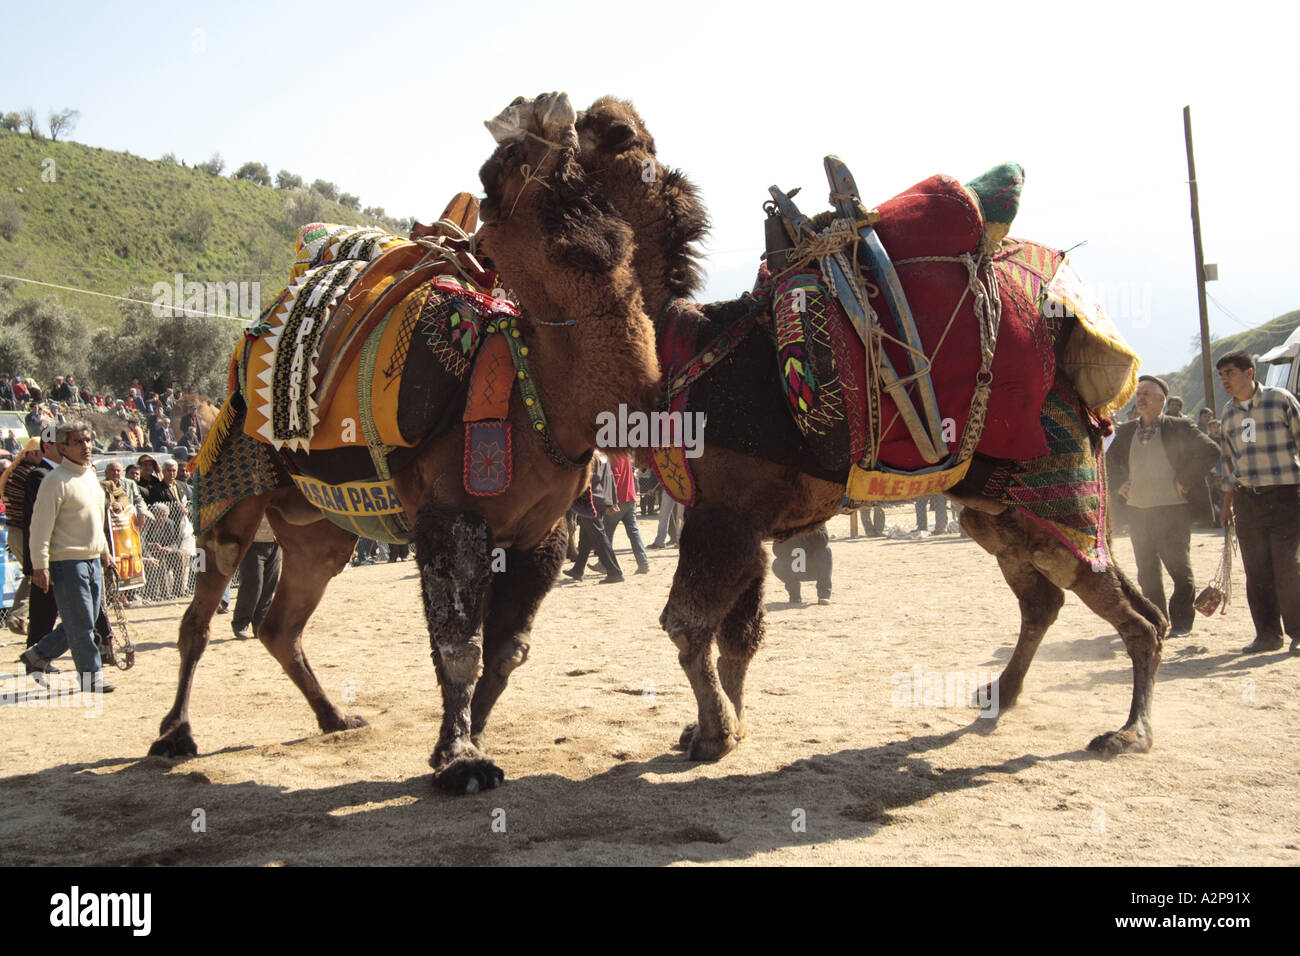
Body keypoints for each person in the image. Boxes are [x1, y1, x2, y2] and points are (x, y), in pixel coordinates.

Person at [1107, 375, 1221, 637]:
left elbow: (1210, 451)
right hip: (1138, 512)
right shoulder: (1125, 431)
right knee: (1147, 573)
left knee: (1178, 569)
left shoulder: (1179, 427)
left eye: (1147, 394)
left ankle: (1181, 623)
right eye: (1139, 394)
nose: (1141, 398)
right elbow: (1107, 459)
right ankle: (1157, 620)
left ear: (1162, 400)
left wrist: (1185, 480)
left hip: (1172, 510)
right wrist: (1120, 483)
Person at [18, 422, 115, 692]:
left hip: (93, 560)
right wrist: (40, 565)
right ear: (63, 448)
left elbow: (96, 520)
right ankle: (90, 678)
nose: (86, 446)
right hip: (66, 563)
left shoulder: (90, 477)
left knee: (80, 620)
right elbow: (39, 527)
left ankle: (37, 655)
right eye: (78, 442)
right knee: (82, 623)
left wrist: (105, 552)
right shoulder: (54, 481)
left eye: (88, 440)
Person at [1215, 349, 1300, 654]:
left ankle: (1298, 632)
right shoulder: (1228, 413)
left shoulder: (1280, 400)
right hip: (1246, 500)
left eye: (1230, 373)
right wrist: (1226, 506)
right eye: (1221, 375)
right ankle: (1267, 635)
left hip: (1285, 495)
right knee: (1256, 568)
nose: (1225, 380)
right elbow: (1228, 461)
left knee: (1287, 564)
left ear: (1249, 373)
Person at [563, 451, 623, 583]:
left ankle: (615, 572)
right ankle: (578, 570)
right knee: (586, 537)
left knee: (599, 536)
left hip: (590, 501)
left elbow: (588, 479)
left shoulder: (591, 456)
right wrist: (611, 500)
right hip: (600, 499)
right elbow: (609, 477)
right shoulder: (603, 456)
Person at [232, 516, 280, 639]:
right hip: (253, 542)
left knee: (269, 586)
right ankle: (241, 623)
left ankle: (260, 624)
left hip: (275, 542)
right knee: (253, 585)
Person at [602, 451, 650, 574]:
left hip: (619, 499)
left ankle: (604, 564)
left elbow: (615, 478)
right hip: (630, 498)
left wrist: (611, 501)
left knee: (607, 532)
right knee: (634, 533)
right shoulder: (625, 455)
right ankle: (643, 563)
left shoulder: (614, 456)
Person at [771, 526, 833, 605]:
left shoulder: (816, 520)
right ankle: (794, 596)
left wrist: (809, 528)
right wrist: (791, 534)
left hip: (813, 567)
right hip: (793, 567)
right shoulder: (786, 522)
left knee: (826, 551)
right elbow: (776, 550)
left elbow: (823, 540)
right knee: (777, 564)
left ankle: (824, 595)